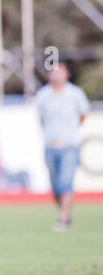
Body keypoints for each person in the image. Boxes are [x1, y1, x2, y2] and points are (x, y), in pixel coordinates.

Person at [34, 63, 90, 231]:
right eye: (53, 72)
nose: (56, 75)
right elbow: (41, 118)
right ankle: (65, 213)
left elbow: (82, 115)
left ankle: (63, 219)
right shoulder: (43, 95)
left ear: (67, 74)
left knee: (65, 182)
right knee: (56, 186)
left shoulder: (75, 94)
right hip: (50, 145)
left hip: (69, 145)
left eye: (60, 72)